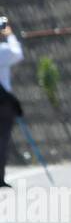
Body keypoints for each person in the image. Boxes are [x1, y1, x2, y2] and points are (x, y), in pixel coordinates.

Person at [0, 15, 23, 189]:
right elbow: (17, 53)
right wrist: (9, 34)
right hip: (3, 102)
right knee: (2, 139)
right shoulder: (3, 51)